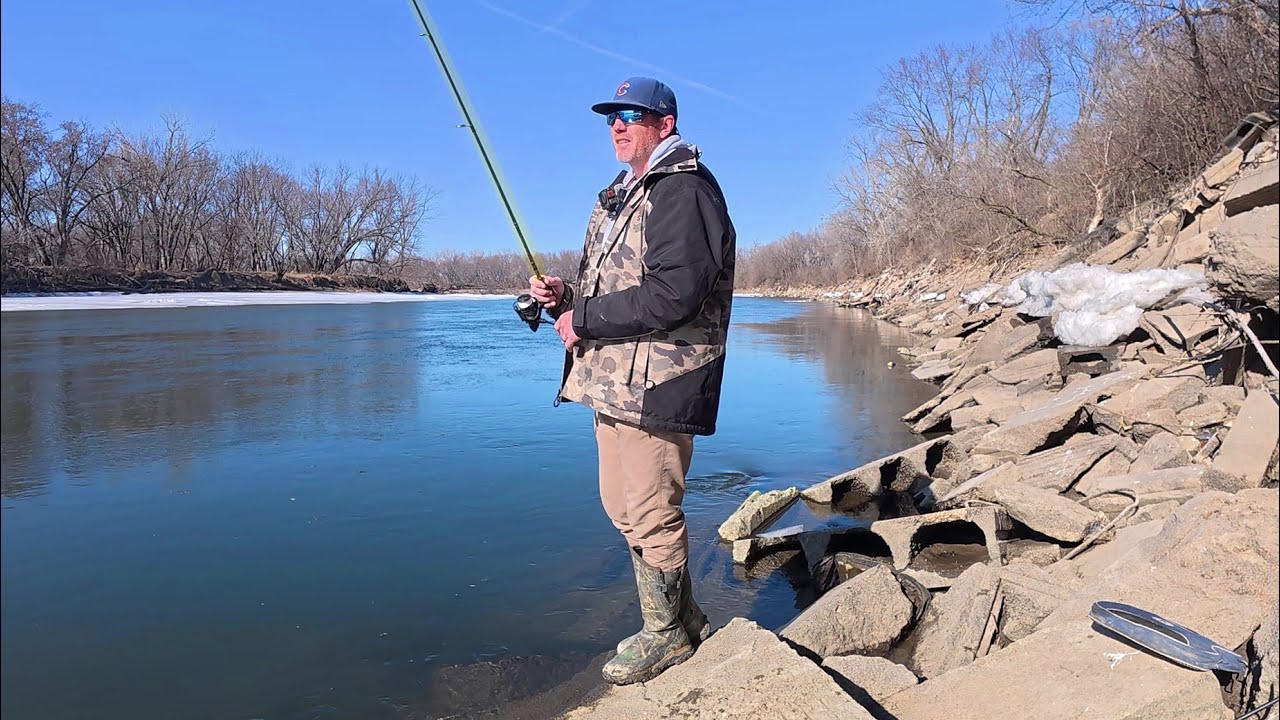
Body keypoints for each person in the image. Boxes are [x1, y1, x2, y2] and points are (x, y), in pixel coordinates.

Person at [527, 76, 736, 686]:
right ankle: (685, 615)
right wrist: (567, 294)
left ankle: (667, 635)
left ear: (664, 124)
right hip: (614, 380)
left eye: (631, 116)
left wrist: (583, 318)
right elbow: (621, 282)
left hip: (661, 380)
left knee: (650, 508)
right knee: (620, 505)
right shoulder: (624, 193)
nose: (616, 126)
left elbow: (676, 294)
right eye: (611, 117)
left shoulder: (683, 191)